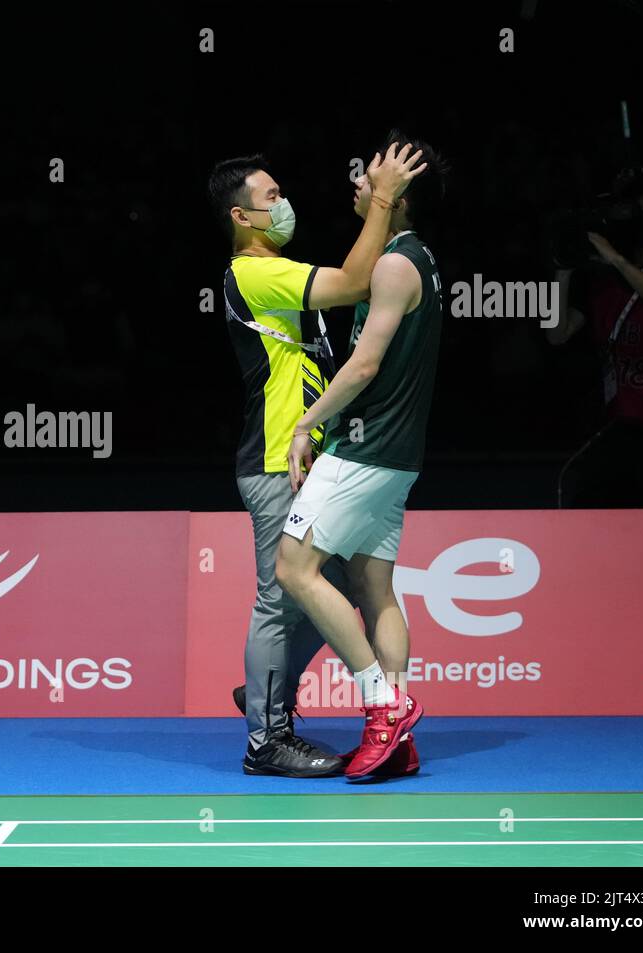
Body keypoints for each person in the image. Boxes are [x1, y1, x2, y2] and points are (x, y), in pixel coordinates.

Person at [207, 140, 426, 777]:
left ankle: (261, 694)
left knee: (326, 590)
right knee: (281, 597)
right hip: (278, 456)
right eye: (270, 197)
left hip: (310, 454)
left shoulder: (278, 267)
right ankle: (265, 739)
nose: (285, 204)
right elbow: (357, 281)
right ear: (240, 217)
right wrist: (383, 198)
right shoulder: (254, 272)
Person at [274, 130, 450, 779]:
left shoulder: (395, 264)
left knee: (294, 568)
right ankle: (398, 732)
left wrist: (305, 425)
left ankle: (381, 704)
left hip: (367, 447)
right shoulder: (420, 259)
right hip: (399, 454)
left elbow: (364, 364)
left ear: (398, 196)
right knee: (375, 589)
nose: (358, 184)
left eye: (371, 176)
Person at [548, 183, 643, 507]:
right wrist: (561, 275)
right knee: (599, 513)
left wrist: (617, 259)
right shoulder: (605, 283)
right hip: (623, 429)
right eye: (638, 210)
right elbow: (557, 333)